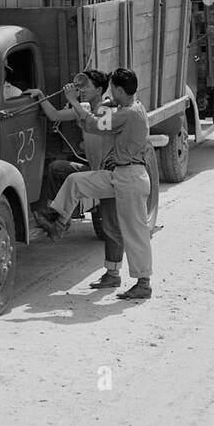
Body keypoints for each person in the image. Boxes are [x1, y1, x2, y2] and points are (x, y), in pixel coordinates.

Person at [49, 68, 154, 300]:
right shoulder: (131, 109)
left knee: (134, 232)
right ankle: (59, 222)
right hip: (119, 175)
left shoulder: (127, 114)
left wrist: (73, 101)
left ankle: (143, 283)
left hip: (129, 178)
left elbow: (96, 124)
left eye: (113, 90)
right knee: (76, 181)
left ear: (118, 89)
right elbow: (98, 118)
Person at [36, 71, 127, 288]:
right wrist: (40, 95)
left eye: (86, 87)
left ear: (99, 90)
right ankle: (59, 221)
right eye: (81, 87)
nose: (82, 90)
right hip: (92, 170)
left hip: (109, 173)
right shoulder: (84, 109)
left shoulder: (107, 109)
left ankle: (113, 275)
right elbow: (55, 116)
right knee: (58, 169)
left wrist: (73, 102)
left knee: (111, 227)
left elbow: (100, 126)